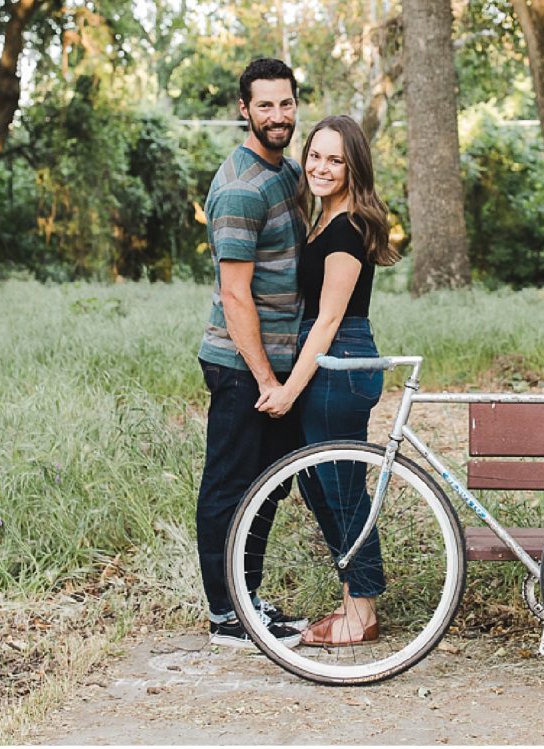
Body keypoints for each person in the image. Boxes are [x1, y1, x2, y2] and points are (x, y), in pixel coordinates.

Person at [254, 114, 399, 647]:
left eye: (335, 159)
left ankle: (361, 611)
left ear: (353, 166)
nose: (320, 166)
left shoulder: (345, 228)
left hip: (340, 359)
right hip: (333, 358)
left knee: (339, 491)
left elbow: (331, 318)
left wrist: (290, 389)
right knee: (324, 486)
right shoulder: (324, 220)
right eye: (315, 155)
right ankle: (353, 602)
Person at [196, 57, 309, 647]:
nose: (277, 115)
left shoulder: (288, 172)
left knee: (270, 483)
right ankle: (225, 616)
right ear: (244, 109)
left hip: (278, 364)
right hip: (243, 366)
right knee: (231, 483)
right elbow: (235, 295)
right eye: (264, 105)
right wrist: (267, 379)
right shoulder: (240, 189)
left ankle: (247, 596)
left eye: (285, 103)